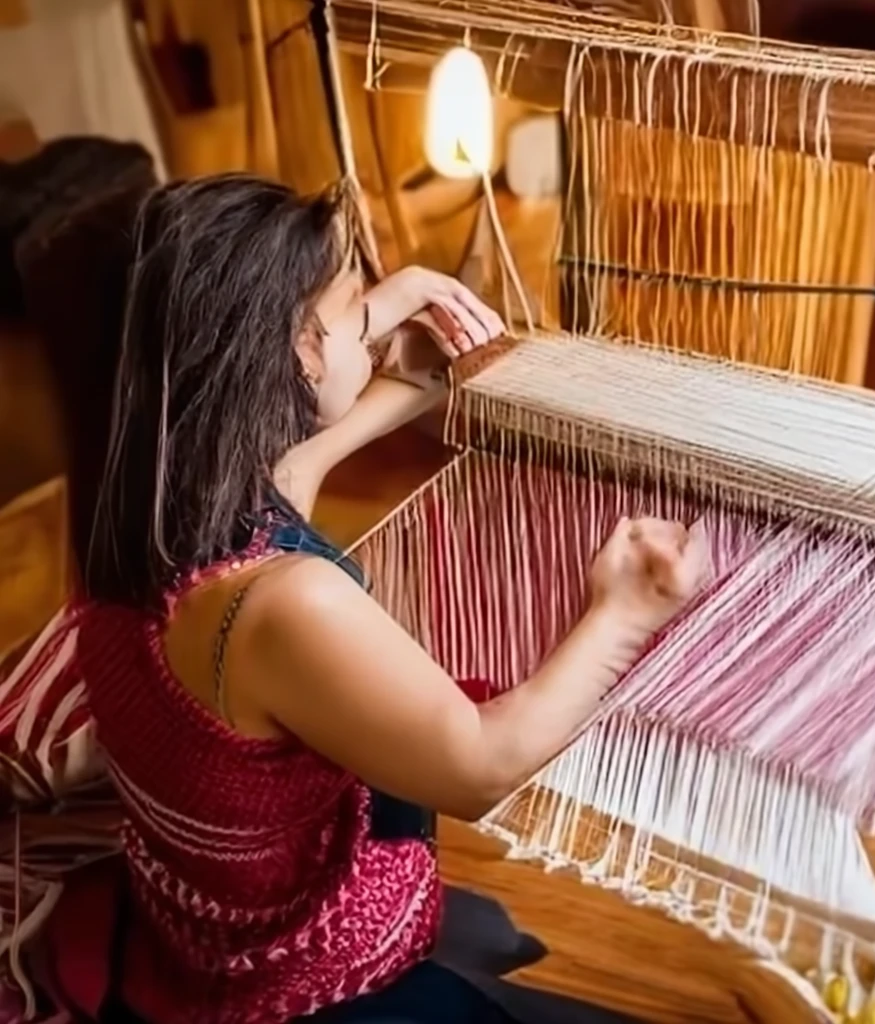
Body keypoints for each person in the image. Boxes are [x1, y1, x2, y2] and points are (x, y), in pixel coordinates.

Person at [40, 173, 706, 1024]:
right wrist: (625, 612)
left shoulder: (142, 518)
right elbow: (480, 765)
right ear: (296, 353)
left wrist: (392, 344)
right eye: (358, 311)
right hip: (300, 991)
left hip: (195, 939)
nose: (376, 325)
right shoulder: (284, 608)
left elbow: (302, 463)